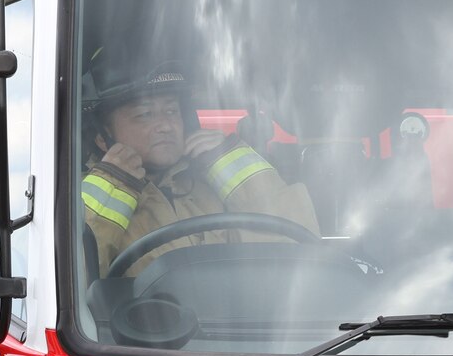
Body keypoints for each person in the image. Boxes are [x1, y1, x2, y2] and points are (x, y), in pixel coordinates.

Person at [80, 58, 319, 274]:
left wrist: (233, 161)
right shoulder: (77, 197)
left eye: (172, 111)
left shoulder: (218, 184)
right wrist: (110, 187)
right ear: (103, 137)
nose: (165, 125)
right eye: (144, 114)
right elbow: (73, 279)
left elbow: (298, 254)